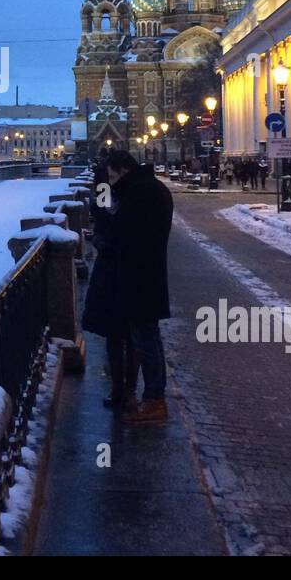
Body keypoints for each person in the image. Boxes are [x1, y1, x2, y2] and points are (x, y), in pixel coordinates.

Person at [105, 150, 174, 425]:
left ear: (123, 171)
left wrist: (113, 215)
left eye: (112, 176)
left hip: (140, 276)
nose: (109, 183)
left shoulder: (139, 193)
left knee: (145, 341)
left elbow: (127, 232)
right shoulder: (152, 188)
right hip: (150, 274)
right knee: (151, 338)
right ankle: (155, 397)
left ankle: (155, 400)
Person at [82, 160, 138, 412]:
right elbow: (101, 226)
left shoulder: (133, 195)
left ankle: (129, 390)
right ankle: (120, 389)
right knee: (117, 335)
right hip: (114, 272)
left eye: (116, 173)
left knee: (128, 335)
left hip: (125, 271)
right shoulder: (107, 195)